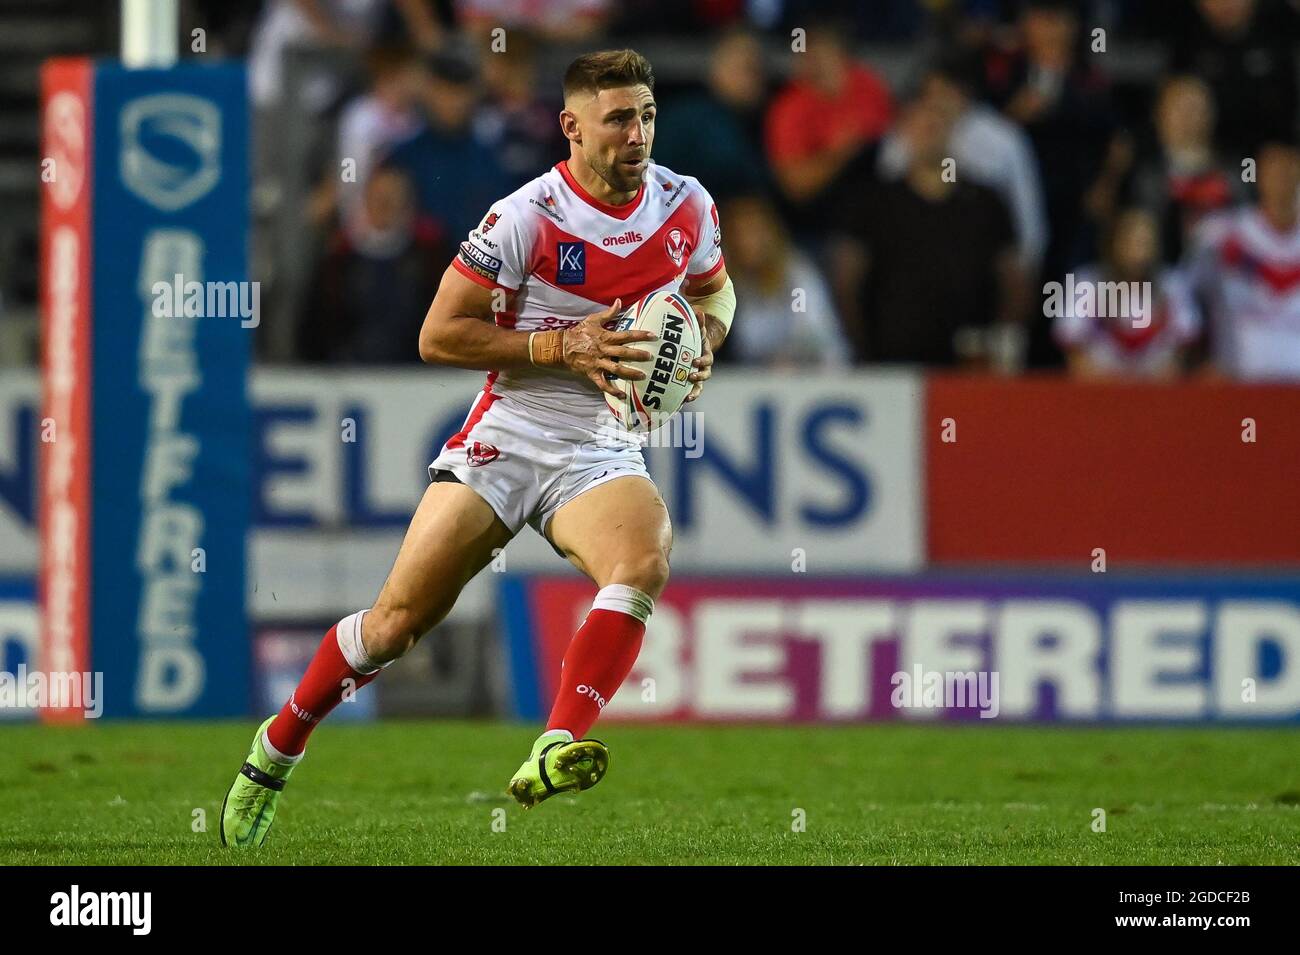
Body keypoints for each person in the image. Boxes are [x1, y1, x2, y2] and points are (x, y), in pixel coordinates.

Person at [221, 49, 736, 846]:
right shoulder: (527, 216)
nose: (638, 135)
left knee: (642, 561)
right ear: (571, 126)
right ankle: (276, 747)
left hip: (599, 442)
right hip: (509, 431)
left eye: (647, 116)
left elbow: (713, 290)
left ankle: (556, 740)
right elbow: (438, 334)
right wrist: (559, 347)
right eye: (619, 119)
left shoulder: (685, 202)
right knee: (394, 626)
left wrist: (703, 339)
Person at [831, 96, 1025, 367]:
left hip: (969, 362)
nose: (929, 136)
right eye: (921, 127)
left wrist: (1000, 342)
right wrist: (863, 353)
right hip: (893, 360)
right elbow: (846, 283)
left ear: (954, 132)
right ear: (903, 133)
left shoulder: (984, 201)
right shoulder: (873, 202)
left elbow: (1013, 279)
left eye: (937, 127)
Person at [1184, 141, 1300, 380]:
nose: (1282, 179)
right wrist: (1197, 361)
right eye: (1274, 170)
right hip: (1239, 384)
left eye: (1289, 169)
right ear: (1258, 175)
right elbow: (1182, 296)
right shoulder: (1222, 234)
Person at [1054, 208, 1201, 378]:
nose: (1137, 252)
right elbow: (1072, 345)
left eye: (1144, 243)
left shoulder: (1172, 284)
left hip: (1157, 389)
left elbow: (1183, 345)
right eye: (1130, 242)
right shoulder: (1087, 283)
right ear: (1112, 243)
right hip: (1100, 388)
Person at [720, 195, 849, 367]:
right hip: (758, 377)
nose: (746, 242)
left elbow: (808, 330)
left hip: (819, 370)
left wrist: (786, 357)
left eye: (753, 232)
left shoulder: (797, 279)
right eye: (739, 234)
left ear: (769, 234)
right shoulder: (735, 284)